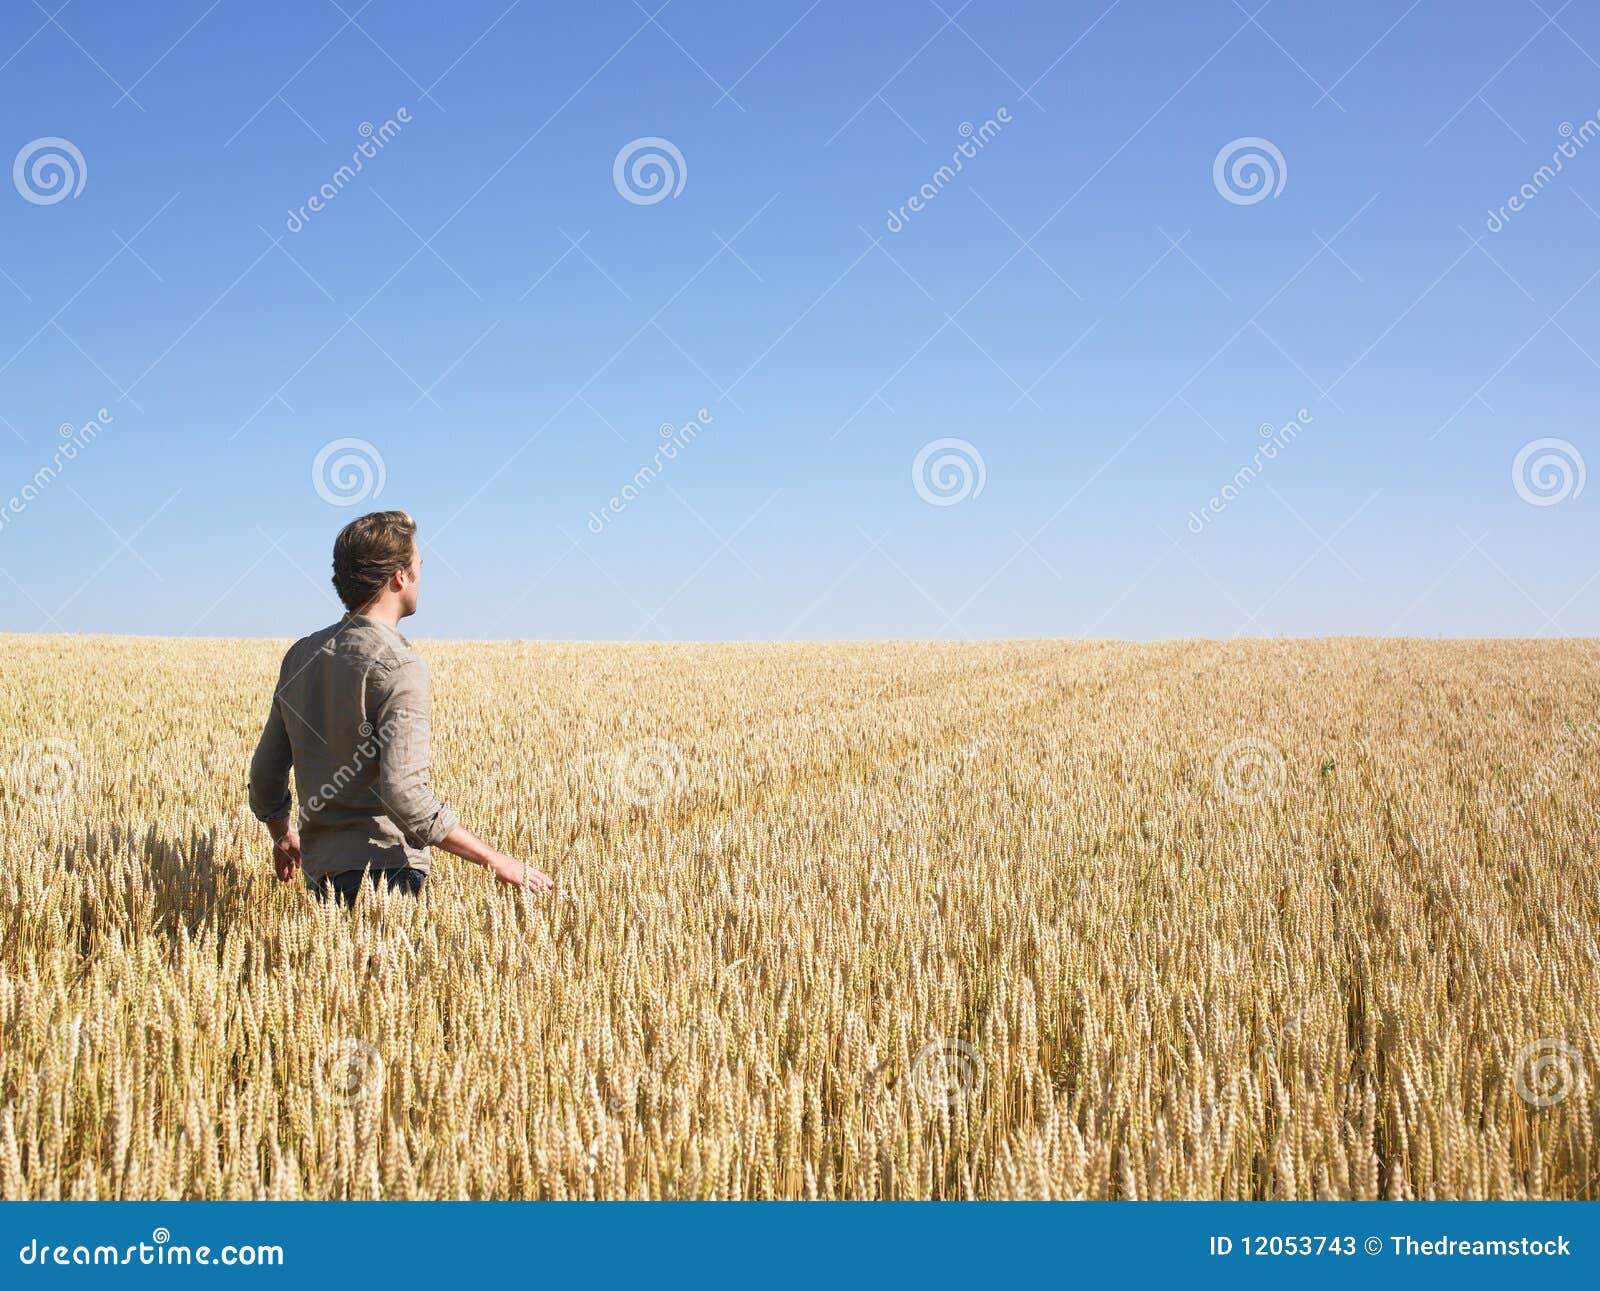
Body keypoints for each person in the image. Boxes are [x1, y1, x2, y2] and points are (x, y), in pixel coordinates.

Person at [247, 509, 554, 903]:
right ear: (399, 577)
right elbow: (404, 793)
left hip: (321, 874)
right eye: (418, 566)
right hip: (387, 876)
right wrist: (494, 859)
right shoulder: (400, 666)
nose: (421, 576)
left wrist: (283, 834)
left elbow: (265, 773)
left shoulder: (301, 655)